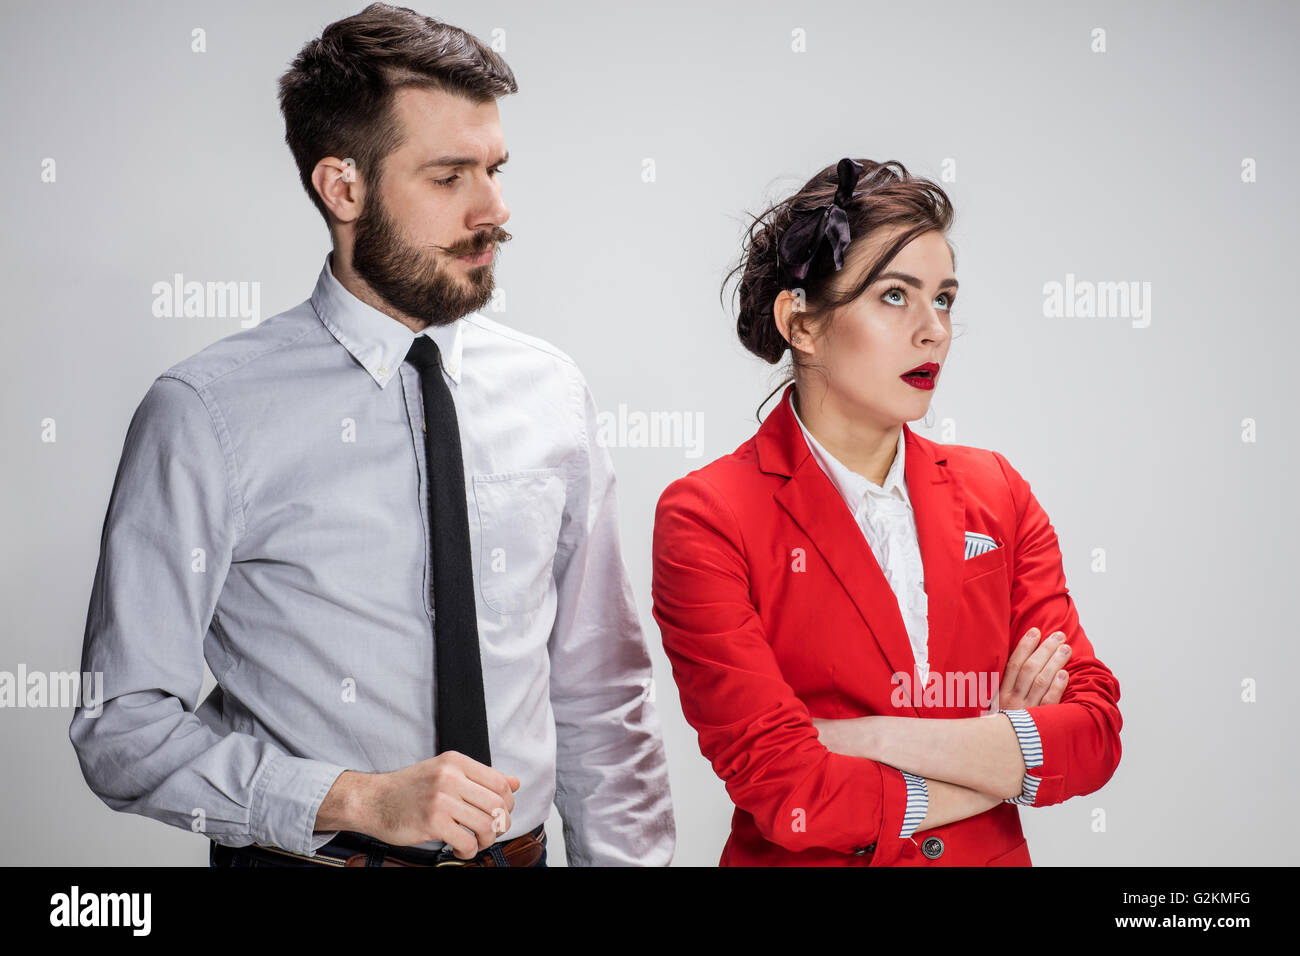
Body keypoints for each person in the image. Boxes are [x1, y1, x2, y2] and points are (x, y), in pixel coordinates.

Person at [68, 3, 674, 868]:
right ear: (342, 187)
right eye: (448, 176)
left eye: (497, 169)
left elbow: (602, 695)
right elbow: (119, 724)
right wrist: (352, 798)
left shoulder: (551, 392)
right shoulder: (205, 412)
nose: (494, 209)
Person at [650, 157, 1121, 866]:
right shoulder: (708, 516)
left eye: (945, 298)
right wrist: (1001, 753)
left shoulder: (997, 491)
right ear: (800, 322)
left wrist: (871, 737)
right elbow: (790, 789)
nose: (935, 330)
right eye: (895, 296)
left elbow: (1092, 737)